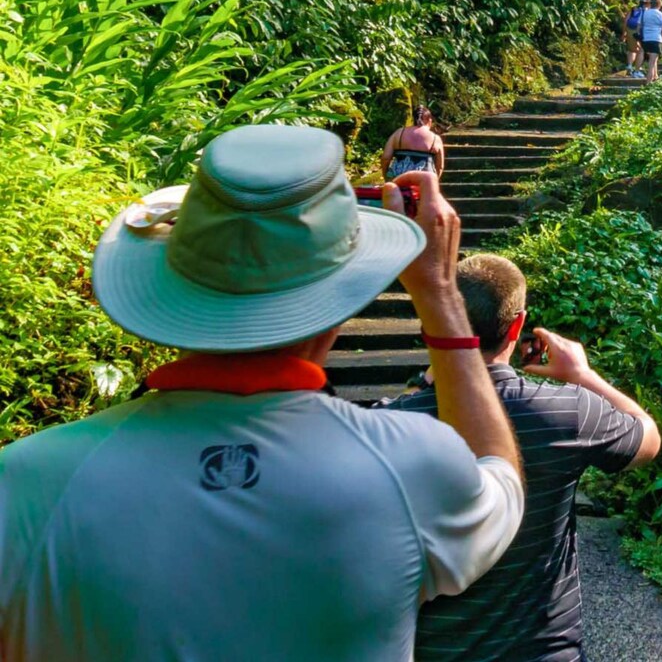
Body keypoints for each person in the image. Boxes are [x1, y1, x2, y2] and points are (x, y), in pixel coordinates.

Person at [0, 124, 525, 661]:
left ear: (169, 288)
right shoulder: (413, 466)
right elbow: (499, 472)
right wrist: (439, 294)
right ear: (339, 308)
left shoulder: (26, 483)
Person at [380, 255, 660, 661]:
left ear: (433, 324)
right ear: (517, 325)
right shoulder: (568, 413)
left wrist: (431, 375)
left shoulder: (388, 427)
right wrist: (582, 374)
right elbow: (648, 439)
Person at [383, 103, 446, 177]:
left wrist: (385, 175)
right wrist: (434, 182)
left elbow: (386, 158)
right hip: (423, 181)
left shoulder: (398, 133)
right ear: (430, 120)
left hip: (398, 179)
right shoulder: (435, 139)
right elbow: (440, 166)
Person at [637, 0, 662, 83]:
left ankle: (655, 76)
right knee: (651, 63)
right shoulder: (661, 15)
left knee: (653, 59)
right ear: (659, 4)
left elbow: (639, 26)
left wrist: (639, 36)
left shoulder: (645, 13)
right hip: (655, 40)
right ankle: (648, 83)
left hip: (645, 40)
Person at [623, 0, 648, 78]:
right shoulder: (647, 10)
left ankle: (630, 66)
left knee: (631, 49)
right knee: (641, 50)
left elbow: (626, 21)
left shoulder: (633, 9)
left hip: (630, 30)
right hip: (641, 31)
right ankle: (637, 69)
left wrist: (624, 33)